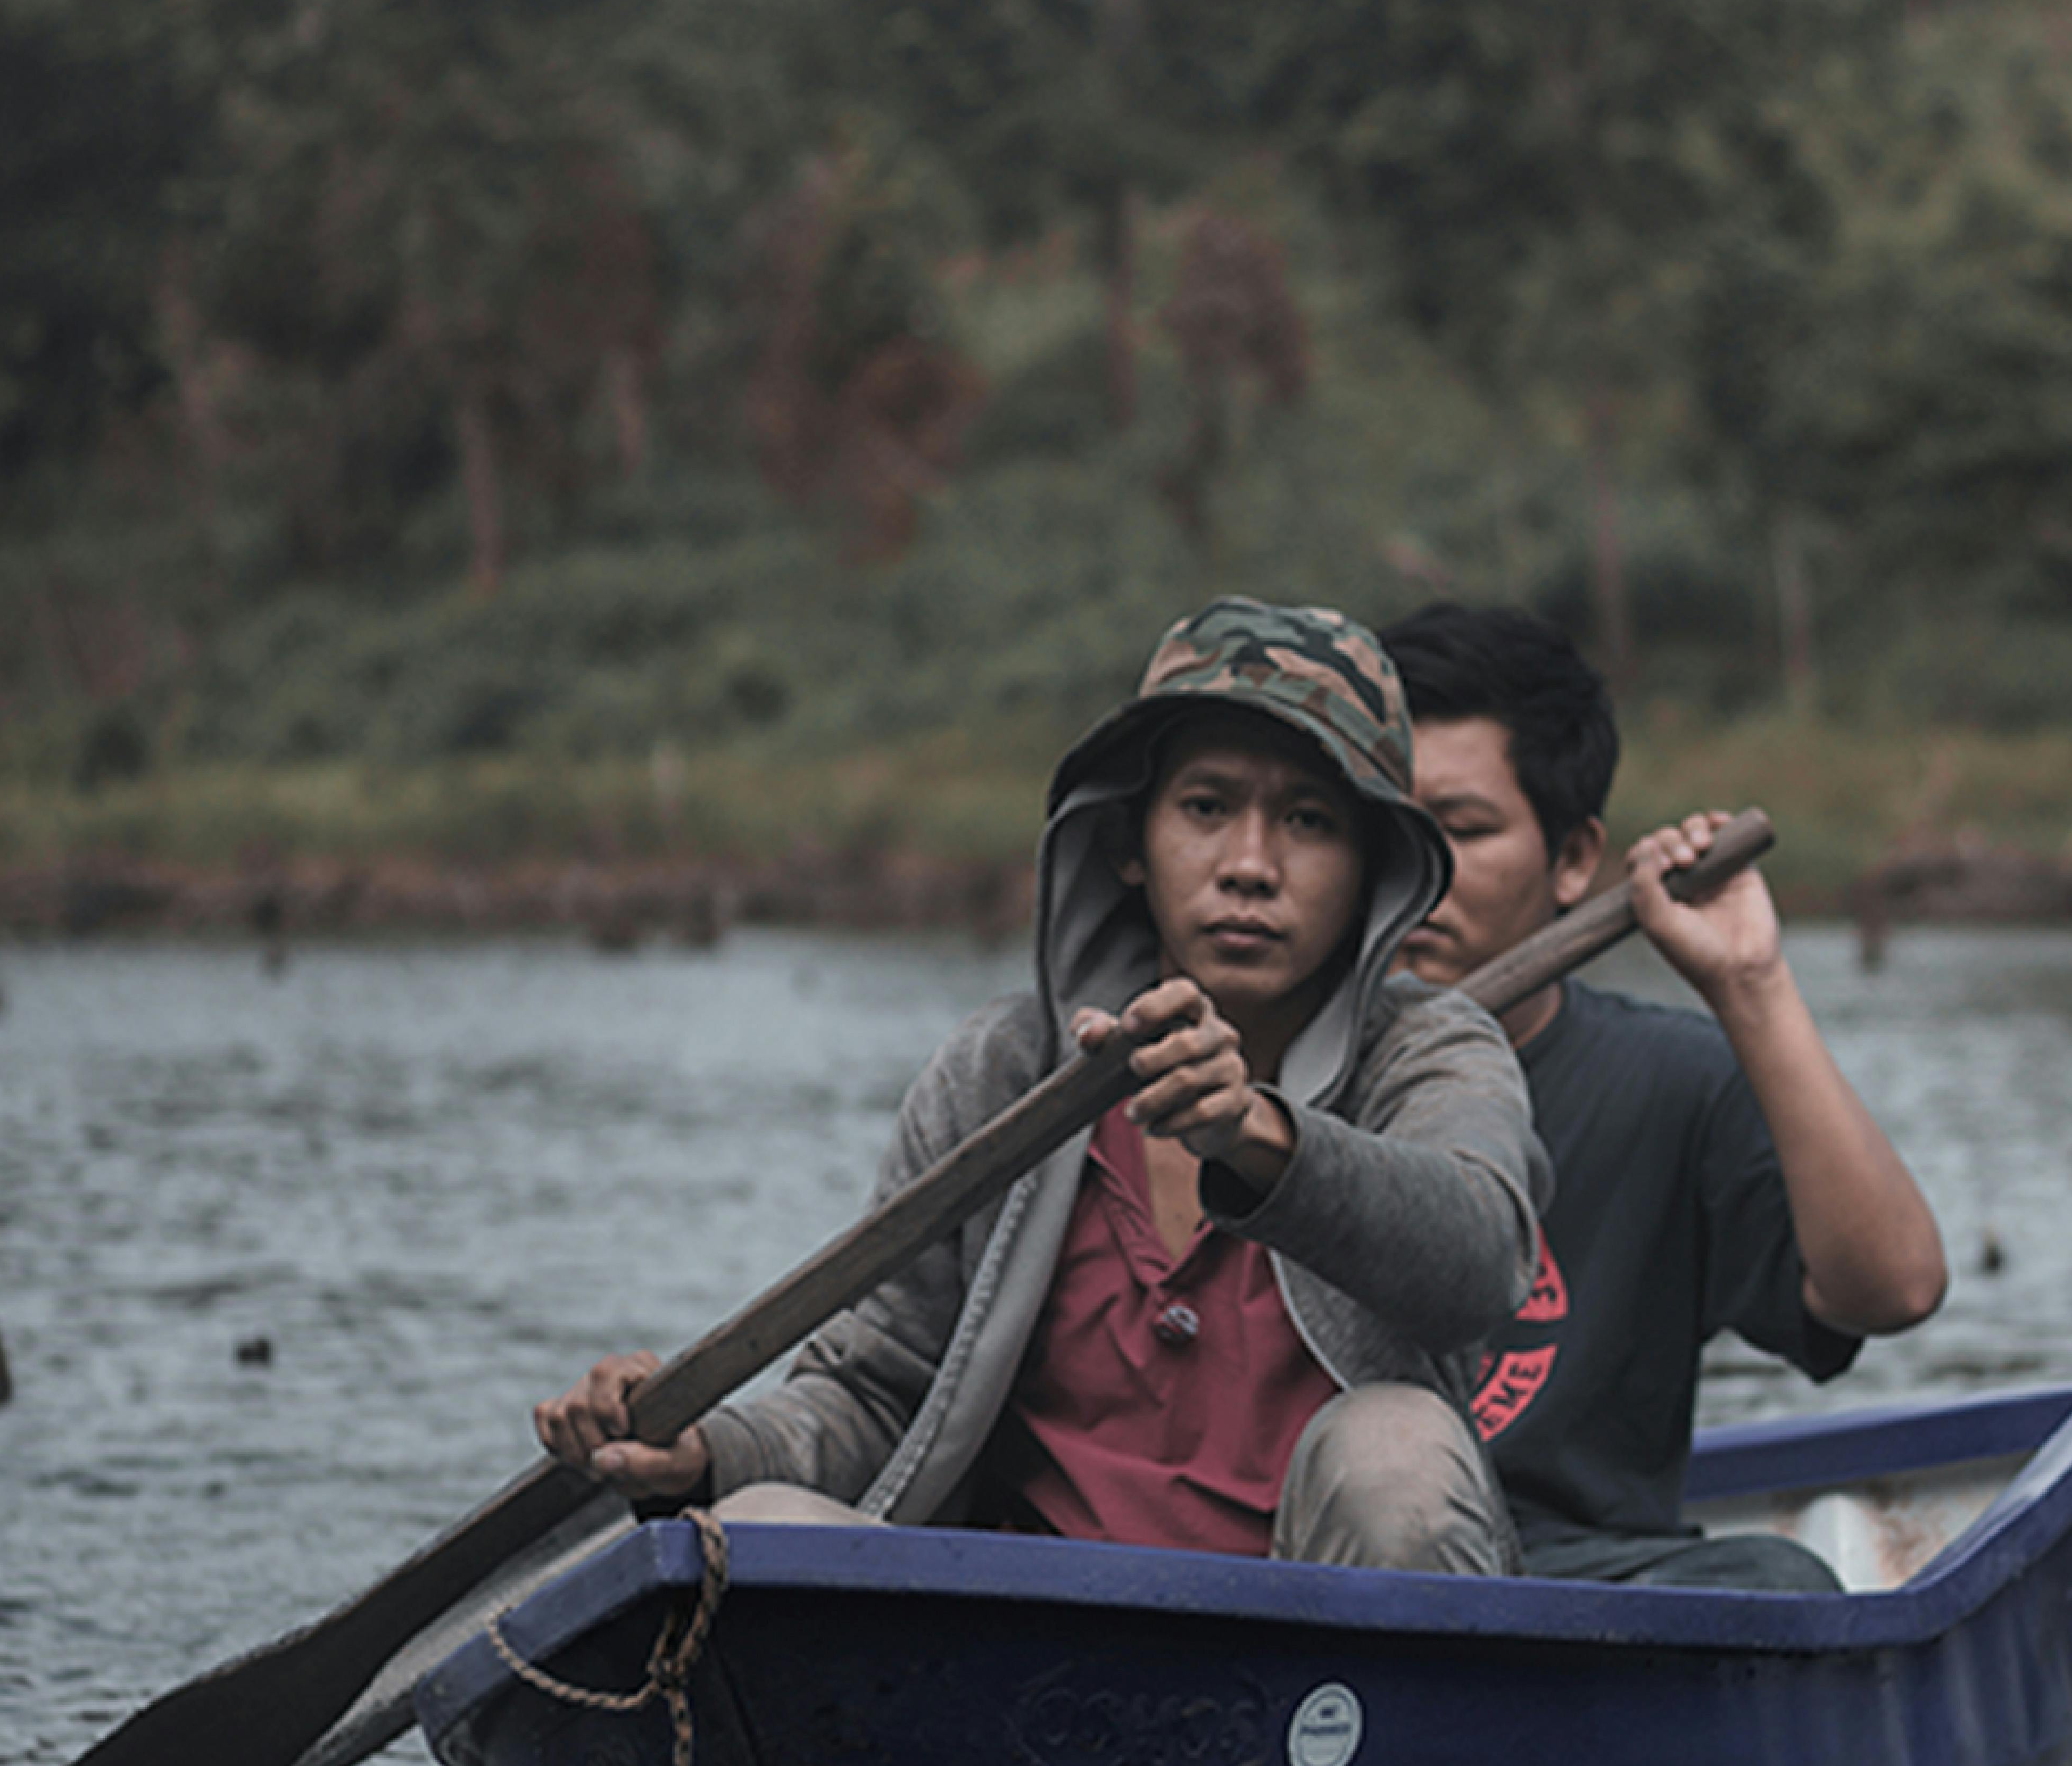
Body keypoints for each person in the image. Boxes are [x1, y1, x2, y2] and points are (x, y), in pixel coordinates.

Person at [537, 602, 1541, 1576]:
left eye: (1310, 822)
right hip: (1028, 1640)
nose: (1250, 866)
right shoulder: (1006, 1072)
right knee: (759, 1526)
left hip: (1318, 1658)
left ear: (1373, 874)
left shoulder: (1431, 1051)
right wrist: (705, 1451)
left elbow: (1478, 1262)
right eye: (1205, 808)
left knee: (1398, 1450)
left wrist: (1258, 1137)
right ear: (1130, 845)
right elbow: (878, 1399)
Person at [1383, 599, 1947, 1591]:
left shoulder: (1667, 1081)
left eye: (1462, 831)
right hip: (1320, 1562)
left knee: (1779, 1587)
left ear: (1572, 860)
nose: (1416, 873)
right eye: (1384, 828)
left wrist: (1751, 984)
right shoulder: (1258, 1066)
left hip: (1577, 1583)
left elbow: (1894, 1289)